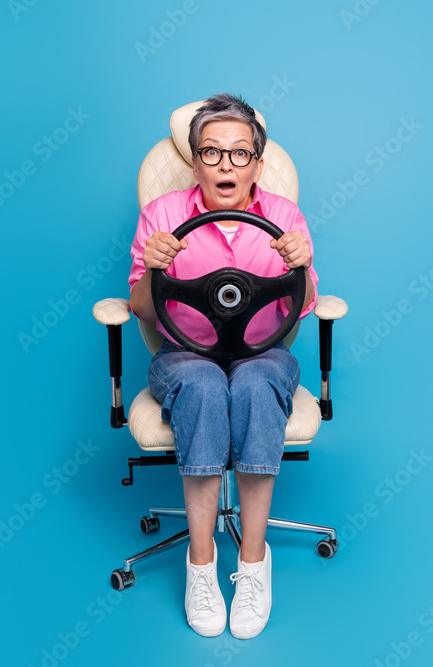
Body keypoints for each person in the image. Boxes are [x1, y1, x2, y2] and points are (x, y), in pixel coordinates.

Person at [128, 94, 318, 639]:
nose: (226, 166)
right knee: (205, 384)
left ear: (258, 164)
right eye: (212, 153)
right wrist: (154, 270)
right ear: (195, 162)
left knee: (256, 383)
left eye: (240, 154)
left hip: (266, 354)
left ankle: (255, 565)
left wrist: (300, 266)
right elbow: (141, 306)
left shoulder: (283, 217)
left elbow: (300, 305)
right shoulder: (163, 216)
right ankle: (202, 566)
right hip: (183, 357)